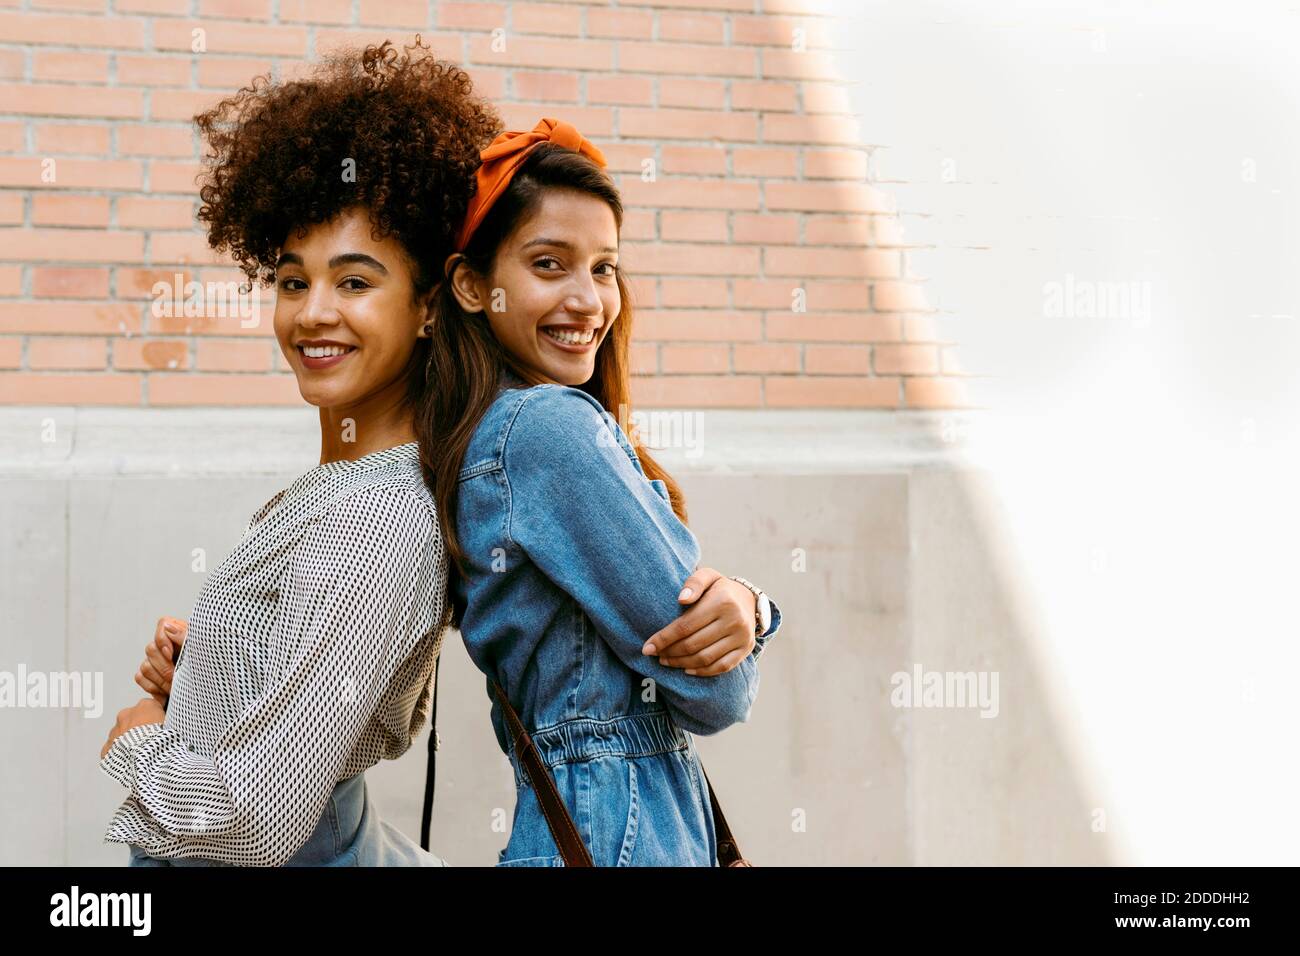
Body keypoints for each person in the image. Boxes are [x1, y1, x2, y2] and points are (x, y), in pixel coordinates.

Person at [426, 118, 784, 866]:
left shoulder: (479, 436)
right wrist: (753, 613)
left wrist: (750, 603)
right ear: (470, 284)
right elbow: (721, 697)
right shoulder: (550, 431)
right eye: (549, 264)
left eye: (603, 267)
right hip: (619, 838)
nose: (588, 299)